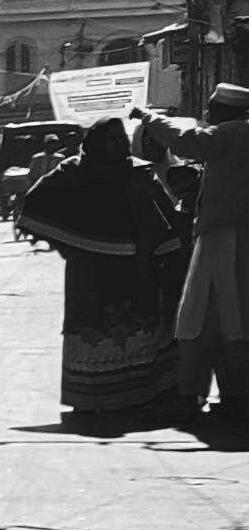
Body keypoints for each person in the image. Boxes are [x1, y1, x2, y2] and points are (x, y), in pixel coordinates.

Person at [11, 114, 185, 430]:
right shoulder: (73, 172)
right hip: (90, 272)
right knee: (92, 325)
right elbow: (37, 201)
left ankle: (136, 394)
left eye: (121, 140)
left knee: (137, 326)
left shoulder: (137, 171)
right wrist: (71, 239)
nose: (118, 147)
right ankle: (90, 398)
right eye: (111, 141)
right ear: (95, 144)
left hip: (136, 268)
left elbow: (162, 213)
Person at [174, 79, 249, 433]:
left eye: (211, 108)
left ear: (222, 110)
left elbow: (187, 141)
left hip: (224, 238)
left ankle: (202, 396)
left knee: (207, 317)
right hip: (231, 236)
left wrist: (147, 117)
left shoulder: (229, 133)